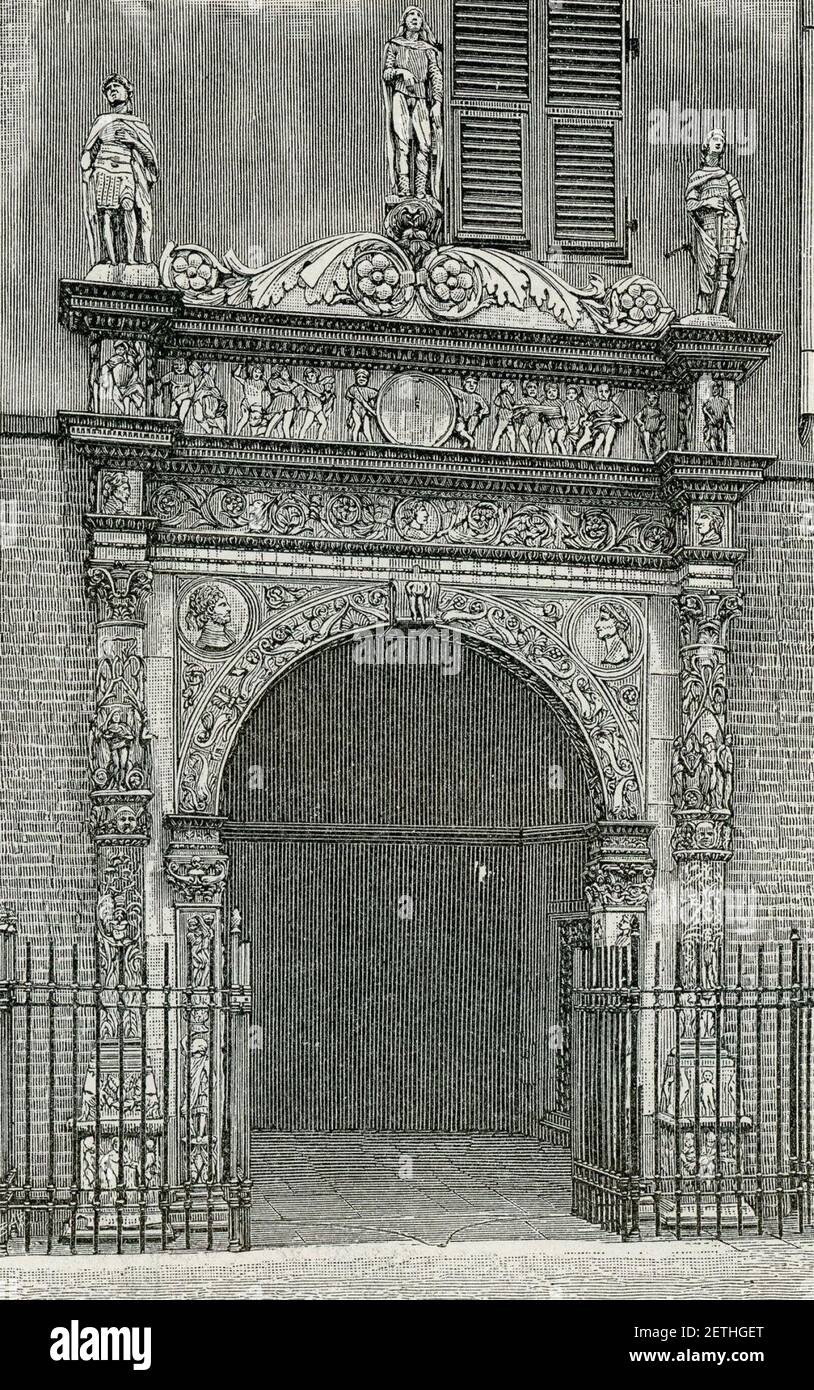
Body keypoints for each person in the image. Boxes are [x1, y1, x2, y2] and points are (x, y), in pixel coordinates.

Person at [80, 75, 158, 268]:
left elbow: (150, 157)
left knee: (128, 208)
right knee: (106, 214)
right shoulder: (102, 121)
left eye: (117, 86)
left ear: (128, 91)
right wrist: (86, 165)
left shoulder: (137, 124)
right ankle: (112, 261)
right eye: (108, 89)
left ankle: (131, 258)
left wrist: (133, 142)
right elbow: (90, 148)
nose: (112, 90)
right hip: (103, 170)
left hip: (126, 170)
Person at [382, 7, 444, 203]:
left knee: (424, 145)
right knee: (402, 144)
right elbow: (387, 73)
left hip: (420, 99)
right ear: (404, 20)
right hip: (400, 95)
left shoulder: (428, 50)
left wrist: (437, 102)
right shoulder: (395, 46)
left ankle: (420, 191)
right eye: (411, 15)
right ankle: (403, 190)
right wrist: (401, 71)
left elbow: (435, 76)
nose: (415, 18)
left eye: (419, 16)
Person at [685, 128, 747, 319]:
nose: (719, 142)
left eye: (722, 139)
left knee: (724, 268)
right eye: (715, 139)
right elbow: (690, 204)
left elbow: (739, 203)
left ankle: (718, 312)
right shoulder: (698, 176)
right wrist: (708, 202)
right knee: (706, 267)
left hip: (728, 225)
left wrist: (742, 229)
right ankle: (702, 307)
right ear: (706, 145)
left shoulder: (728, 178)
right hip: (708, 228)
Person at [575, 382, 627, 458]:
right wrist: (584, 421)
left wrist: (615, 420)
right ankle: (591, 455)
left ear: (609, 393)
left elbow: (624, 418)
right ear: (597, 392)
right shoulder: (594, 403)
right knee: (597, 440)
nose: (603, 394)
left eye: (606, 391)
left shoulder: (611, 404)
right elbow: (586, 415)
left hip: (610, 425)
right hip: (597, 425)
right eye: (600, 391)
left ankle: (605, 458)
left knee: (608, 443)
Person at [185, 584, 236, 651]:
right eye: (222, 605)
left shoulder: (231, 637)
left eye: (227, 604)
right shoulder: (203, 646)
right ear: (208, 611)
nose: (229, 609)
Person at [450, 373, 489, 448]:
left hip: (471, 418)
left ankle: (467, 441)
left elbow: (486, 408)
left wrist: (480, 413)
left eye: (474, 383)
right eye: (468, 382)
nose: (472, 385)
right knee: (459, 427)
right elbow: (451, 389)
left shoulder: (477, 397)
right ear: (464, 383)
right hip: (461, 418)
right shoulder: (461, 393)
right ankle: (469, 439)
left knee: (474, 419)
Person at [232, 364, 270, 436]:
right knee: (244, 418)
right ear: (252, 372)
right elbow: (236, 375)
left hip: (257, 406)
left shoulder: (263, 383)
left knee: (255, 422)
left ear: (261, 374)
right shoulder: (247, 381)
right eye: (255, 372)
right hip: (246, 404)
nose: (257, 374)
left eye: (259, 372)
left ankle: (254, 436)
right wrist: (240, 366)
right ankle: (236, 434)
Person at [298, 367, 335, 440]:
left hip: (319, 409)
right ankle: (300, 439)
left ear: (316, 376)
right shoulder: (306, 386)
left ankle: (319, 438)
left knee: (324, 424)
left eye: (312, 376)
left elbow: (321, 394)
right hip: (311, 409)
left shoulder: (319, 386)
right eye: (307, 376)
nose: (310, 378)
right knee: (306, 426)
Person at [346, 368, 379, 443]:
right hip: (356, 410)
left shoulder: (369, 390)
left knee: (366, 428)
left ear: (367, 379)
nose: (361, 379)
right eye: (359, 377)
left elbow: (378, 394)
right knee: (357, 424)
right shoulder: (353, 389)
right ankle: (354, 442)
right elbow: (363, 402)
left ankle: (371, 443)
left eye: (363, 377)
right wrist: (373, 412)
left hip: (365, 412)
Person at [634, 390, 667, 460]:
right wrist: (641, 424)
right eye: (649, 398)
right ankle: (649, 457)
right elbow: (636, 417)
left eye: (654, 398)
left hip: (655, 431)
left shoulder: (659, 411)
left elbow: (663, 420)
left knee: (658, 445)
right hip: (647, 430)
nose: (651, 400)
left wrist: (660, 428)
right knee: (647, 442)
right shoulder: (646, 409)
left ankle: (655, 457)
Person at [702, 380, 734, 452]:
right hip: (712, 424)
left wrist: (733, 425)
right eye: (714, 389)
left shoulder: (725, 401)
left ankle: (721, 454)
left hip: (720, 424)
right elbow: (704, 409)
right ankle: (715, 454)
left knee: (722, 440)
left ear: (720, 389)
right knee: (712, 440)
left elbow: (729, 415)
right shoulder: (710, 400)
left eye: (717, 389)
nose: (715, 390)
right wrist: (710, 417)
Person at [490, 378, 518, 452]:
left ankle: (513, 451)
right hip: (504, 415)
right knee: (499, 431)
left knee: (511, 433)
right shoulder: (504, 395)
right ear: (507, 387)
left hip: (508, 416)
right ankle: (493, 449)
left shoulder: (507, 396)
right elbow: (510, 407)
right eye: (512, 387)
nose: (514, 389)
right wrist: (520, 406)